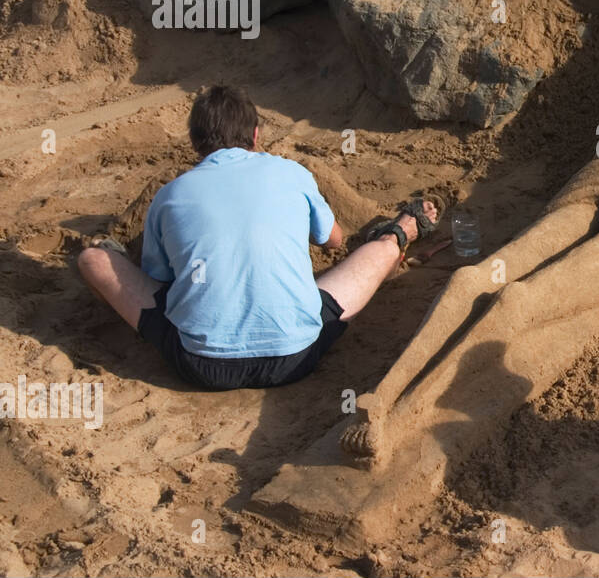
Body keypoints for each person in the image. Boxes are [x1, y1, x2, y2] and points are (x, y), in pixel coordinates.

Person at [76, 85, 439, 390]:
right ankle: (401, 231)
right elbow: (334, 240)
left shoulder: (170, 195)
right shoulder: (292, 173)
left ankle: (113, 258)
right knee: (375, 253)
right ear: (255, 135)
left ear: (194, 142)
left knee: (93, 260)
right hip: (295, 357)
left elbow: (159, 280)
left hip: (201, 367)